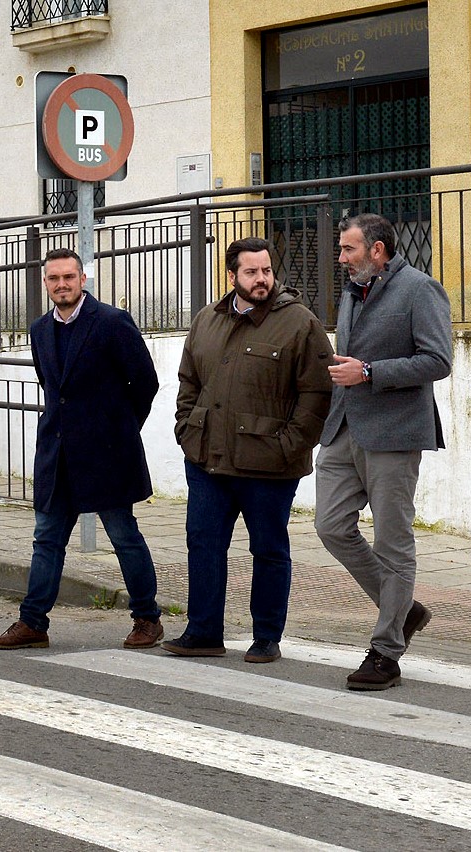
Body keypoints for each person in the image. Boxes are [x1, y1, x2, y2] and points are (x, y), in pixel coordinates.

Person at [163, 237, 333, 664]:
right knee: (203, 543)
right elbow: (189, 382)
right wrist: (188, 429)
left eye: (267, 271)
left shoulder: (299, 323)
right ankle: (203, 632)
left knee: (269, 549)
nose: (261, 280)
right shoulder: (207, 319)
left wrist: (289, 446)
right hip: (207, 460)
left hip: (269, 465)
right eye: (251, 272)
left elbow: (317, 395)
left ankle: (266, 637)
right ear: (231, 275)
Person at [0, 248, 163, 651]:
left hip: (107, 453)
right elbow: (52, 388)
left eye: (69, 277)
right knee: (47, 538)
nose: (61, 284)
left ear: (83, 279)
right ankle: (33, 623)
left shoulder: (112, 322)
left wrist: (118, 430)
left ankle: (147, 619)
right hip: (58, 454)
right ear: (45, 282)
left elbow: (145, 383)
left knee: (123, 536)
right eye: (54, 278)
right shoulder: (39, 330)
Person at [315, 212, 452, 690]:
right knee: (330, 526)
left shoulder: (419, 289)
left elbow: (438, 360)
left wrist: (369, 372)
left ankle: (386, 651)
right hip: (344, 428)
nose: (341, 257)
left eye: (348, 248)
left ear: (377, 249)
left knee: (393, 542)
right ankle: (404, 609)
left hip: (394, 433)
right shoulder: (354, 290)